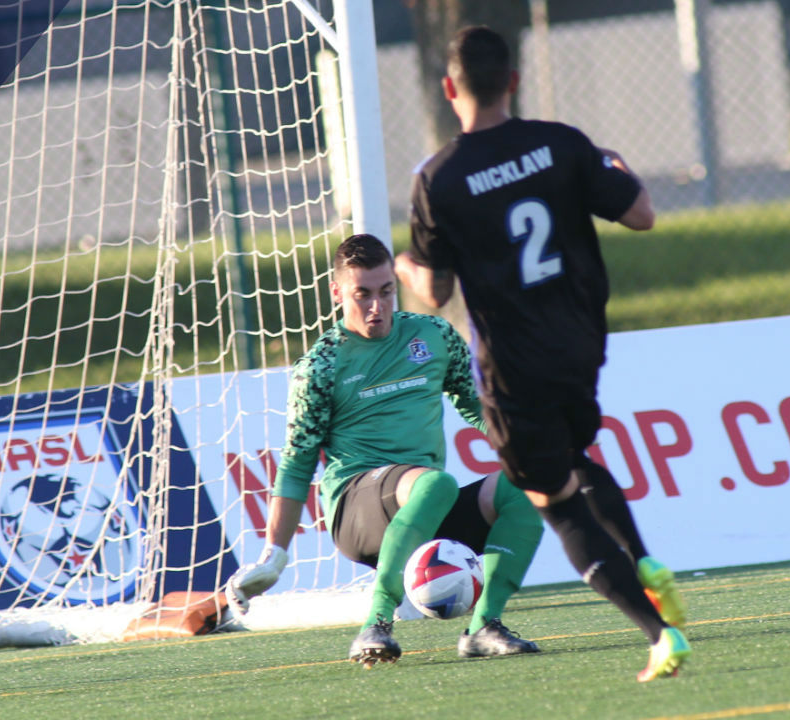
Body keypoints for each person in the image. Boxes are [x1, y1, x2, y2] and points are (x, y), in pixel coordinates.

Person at [393, 26, 690, 682]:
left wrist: (409, 268)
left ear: (448, 90)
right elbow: (641, 214)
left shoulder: (439, 178)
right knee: (577, 460)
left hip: (512, 367)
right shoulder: (560, 144)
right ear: (514, 81)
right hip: (581, 346)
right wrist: (612, 165)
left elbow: (438, 289)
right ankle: (644, 558)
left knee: (554, 502)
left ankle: (659, 635)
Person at [228, 233, 546, 667]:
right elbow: (298, 463)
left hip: (424, 504)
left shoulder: (433, 335)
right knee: (435, 483)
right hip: (356, 509)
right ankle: (376, 623)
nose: (376, 306)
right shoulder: (321, 366)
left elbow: (475, 406)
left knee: (524, 489)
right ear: (338, 292)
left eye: (386, 291)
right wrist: (274, 556)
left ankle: (483, 628)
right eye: (363, 294)